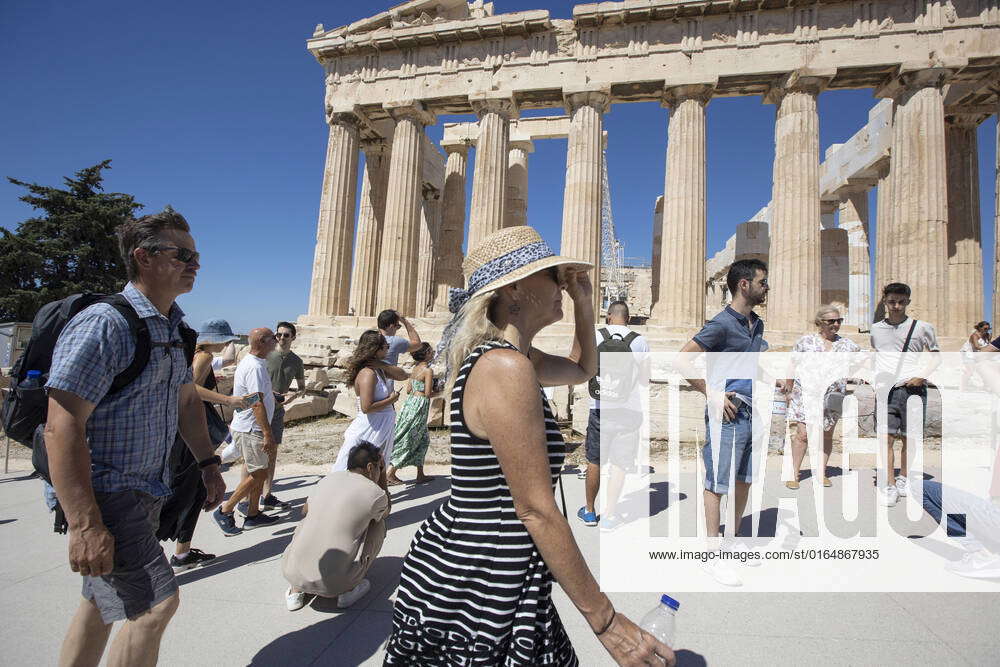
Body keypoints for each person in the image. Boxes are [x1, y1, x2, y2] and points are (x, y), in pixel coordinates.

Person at [384, 226, 675, 666]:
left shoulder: (512, 360)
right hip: (482, 576)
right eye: (552, 275)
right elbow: (535, 508)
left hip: (489, 561)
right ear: (516, 288)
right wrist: (608, 624)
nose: (561, 281)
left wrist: (583, 300)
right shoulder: (504, 368)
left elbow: (581, 368)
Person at [44, 209, 226, 667]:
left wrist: (207, 464)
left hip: (149, 486)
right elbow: (60, 425)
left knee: (100, 605)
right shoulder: (105, 323)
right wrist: (85, 524)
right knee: (154, 606)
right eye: (181, 254)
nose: (194, 264)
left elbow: (186, 402)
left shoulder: (175, 328)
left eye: (196, 255)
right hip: (106, 490)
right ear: (143, 258)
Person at [676, 258, 769, 587]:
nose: (766, 287)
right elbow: (683, 358)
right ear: (744, 285)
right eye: (762, 282)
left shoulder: (756, 324)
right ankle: (711, 555)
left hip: (752, 410)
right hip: (725, 412)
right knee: (717, 484)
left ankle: (732, 538)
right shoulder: (721, 323)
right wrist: (711, 393)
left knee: (744, 479)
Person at [157, 319, 246, 571]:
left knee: (192, 492)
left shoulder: (198, 352)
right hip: (191, 436)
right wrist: (228, 400)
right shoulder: (204, 356)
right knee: (184, 491)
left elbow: (227, 359)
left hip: (182, 434)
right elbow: (190, 389)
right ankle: (154, 552)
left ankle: (183, 554)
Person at [282, 441, 390, 611]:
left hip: (291, 572)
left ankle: (296, 590)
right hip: (335, 584)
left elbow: (304, 510)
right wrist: (383, 475)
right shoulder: (374, 493)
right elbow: (386, 511)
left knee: (308, 520)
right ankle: (348, 589)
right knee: (379, 524)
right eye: (379, 467)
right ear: (371, 467)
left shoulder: (328, 479)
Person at [577, 300, 649, 531]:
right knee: (619, 464)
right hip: (628, 411)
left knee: (594, 461)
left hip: (599, 408)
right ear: (628, 318)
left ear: (609, 316)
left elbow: (584, 368)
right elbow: (645, 380)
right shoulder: (640, 341)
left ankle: (589, 511)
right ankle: (609, 515)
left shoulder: (596, 337)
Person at [870, 282, 940, 507]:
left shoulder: (923, 327)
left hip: (913, 390)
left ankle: (904, 478)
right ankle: (889, 484)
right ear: (885, 302)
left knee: (910, 439)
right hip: (886, 391)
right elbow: (879, 356)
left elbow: (936, 357)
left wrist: (922, 376)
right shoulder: (876, 329)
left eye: (901, 302)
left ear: (908, 302)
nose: (897, 306)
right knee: (886, 439)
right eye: (892, 302)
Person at [781, 305, 861, 490]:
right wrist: (789, 390)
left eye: (838, 321)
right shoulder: (806, 342)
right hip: (806, 394)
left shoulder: (848, 345)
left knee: (826, 434)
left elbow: (863, 362)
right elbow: (792, 365)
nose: (835, 324)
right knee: (803, 434)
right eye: (831, 321)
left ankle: (821, 472)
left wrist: (850, 382)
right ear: (820, 323)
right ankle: (794, 473)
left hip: (833, 397)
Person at [212, 328, 280, 535]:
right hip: (253, 427)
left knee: (258, 472)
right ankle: (225, 510)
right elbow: (256, 402)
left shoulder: (256, 363)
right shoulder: (254, 367)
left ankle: (253, 515)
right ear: (261, 341)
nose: (276, 341)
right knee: (258, 472)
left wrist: (270, 395)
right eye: (273, 338)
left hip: (251, 425)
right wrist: (267, 433)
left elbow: (253, 396)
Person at [331, 331, 408, 471]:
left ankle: (382, 491)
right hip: (369, 428)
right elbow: (366, 407)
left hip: (381, 426)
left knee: (379, 463)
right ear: (376, 349)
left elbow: (403, 375)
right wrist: (391, 400)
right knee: (358, 469)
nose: (388, 349)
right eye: (386, 346)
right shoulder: (368, 373)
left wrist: (382, 365)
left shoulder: (379, 369)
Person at [258, 320, 307, 510]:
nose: (281, 338)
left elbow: (302, 388)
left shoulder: (296, 361)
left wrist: (291, 397)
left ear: (293, 337)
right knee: (254, 454)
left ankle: (267, 494)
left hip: (277, 411)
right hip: (260, 409)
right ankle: (246, 500)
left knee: (272, 453)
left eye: (286, 335)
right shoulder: (266, 356)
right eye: (278, 335)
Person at [386, 342, 437, 486]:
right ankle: (390, 473)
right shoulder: (428, 370)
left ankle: (420, 474)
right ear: (426, 353)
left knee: (423, 439)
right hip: (420, 406)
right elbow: (427, 394)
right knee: (411, 438)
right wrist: (440, 391)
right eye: (430, 350)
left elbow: (408, 389)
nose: (432, 352)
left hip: (410, 404)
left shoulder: (415, 369)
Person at [959, 321, 991, 391]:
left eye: (988, 329)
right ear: (980, 328)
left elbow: (988, 344)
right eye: (985, 328)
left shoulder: (987, 335)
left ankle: (986, 386)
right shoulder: (974, 335)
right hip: (968, 353)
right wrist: (989, 349)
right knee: (970, 370)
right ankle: (963, 387)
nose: (987, 330)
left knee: (984, 370)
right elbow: (976, 347)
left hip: (978, 354)